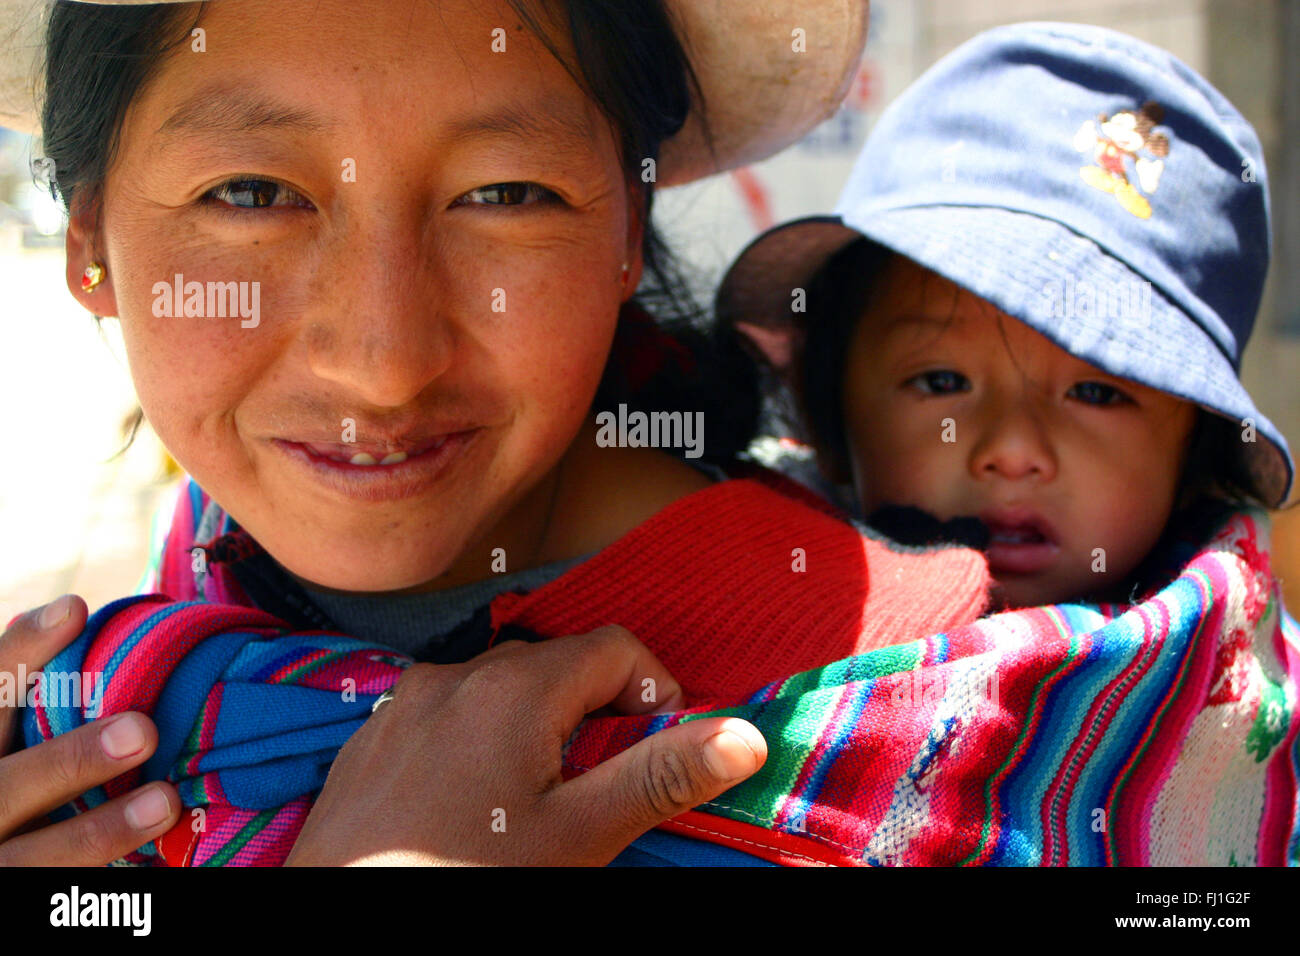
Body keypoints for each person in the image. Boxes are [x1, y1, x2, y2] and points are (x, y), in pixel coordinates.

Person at [2, 0, 990, 867]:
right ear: (90, 240)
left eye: (504, 194)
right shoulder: (202, 560)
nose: (384, 363)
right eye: (252, 194)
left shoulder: (920, 702)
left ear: (628, 231)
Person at [717, 21, 1296, 613]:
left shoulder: (1248, 688)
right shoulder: (732, 616)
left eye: (1096, 392)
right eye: (942, 382)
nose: (1014, 451)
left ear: (1192, 461)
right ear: (830, 423)